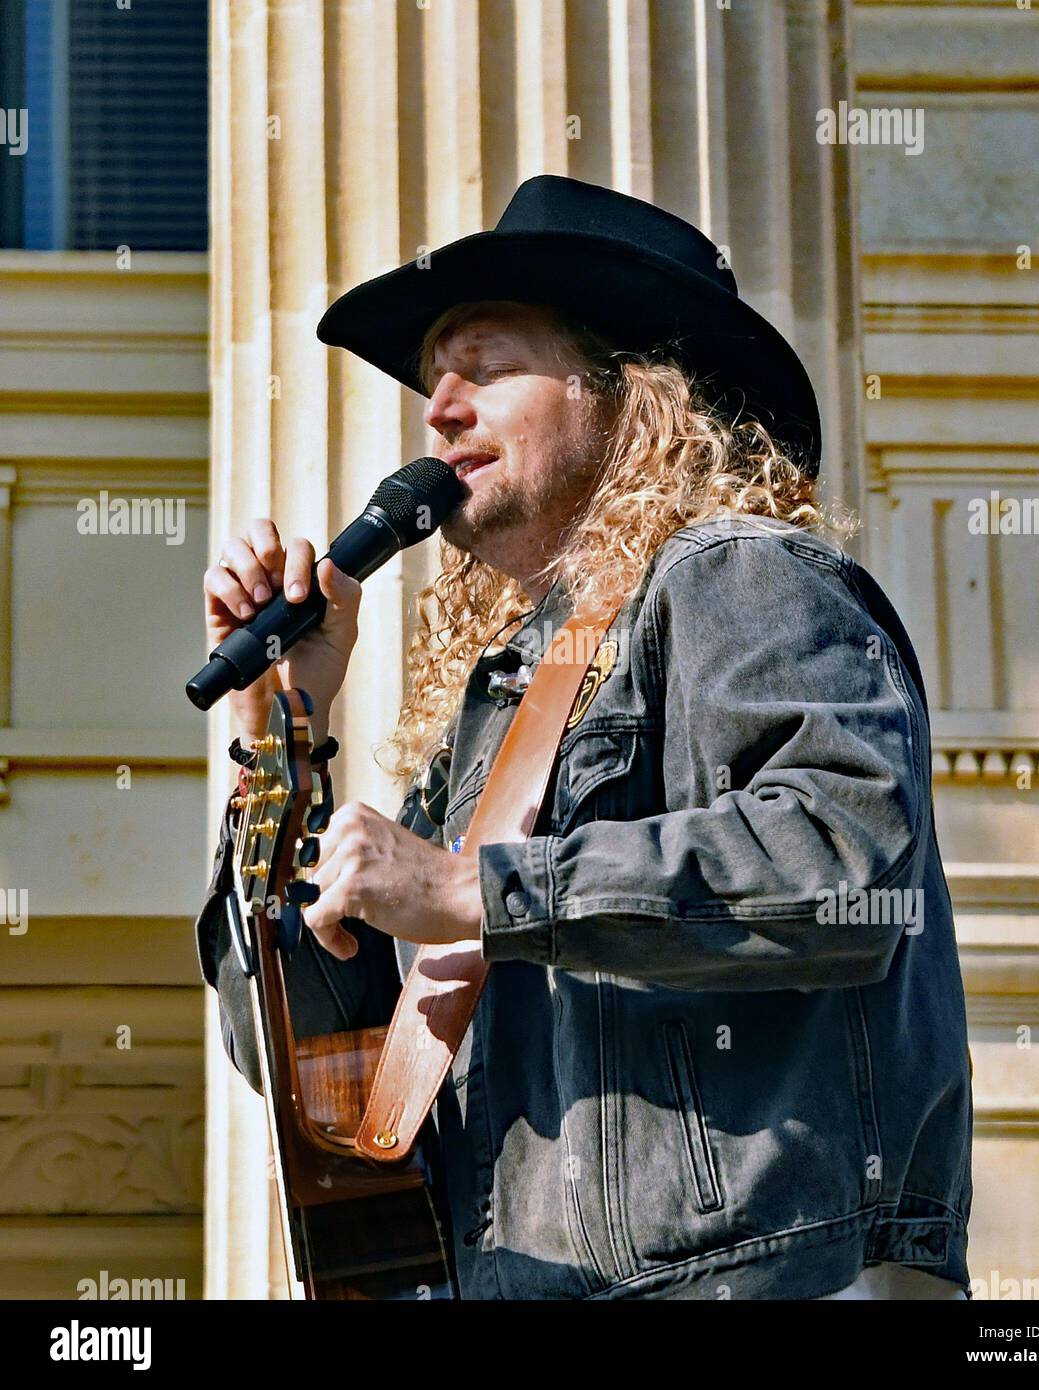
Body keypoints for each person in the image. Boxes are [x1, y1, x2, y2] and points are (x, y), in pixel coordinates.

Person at [196, 175, 973, 1300]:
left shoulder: (736, 571)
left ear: (632, 387)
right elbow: (322, 1061)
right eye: (431, 380)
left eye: (485, 364)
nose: (439, 407)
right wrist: (276, 741)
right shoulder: (507, 700)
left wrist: (482, 889)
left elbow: (840, 858)